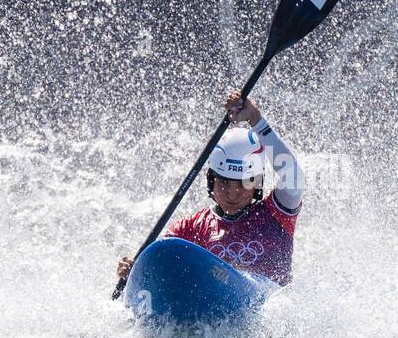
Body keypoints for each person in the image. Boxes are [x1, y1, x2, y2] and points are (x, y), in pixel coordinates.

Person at [117, 91, 303, 285]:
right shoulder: (191, 228)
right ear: (210, 181)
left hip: (268, 305)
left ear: (257, 183)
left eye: (243, 183)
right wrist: (137, 269)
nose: (232, 193)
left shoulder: (276, 215)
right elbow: (159, 260)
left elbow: (294, 177)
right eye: (224, 183)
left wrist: (256, 119)